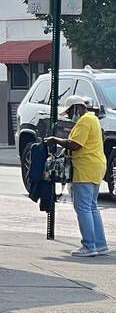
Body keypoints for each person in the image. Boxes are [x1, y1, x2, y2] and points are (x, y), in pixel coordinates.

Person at [46, 95, 110, 257]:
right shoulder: (93, 119)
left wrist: (56, 140)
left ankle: (89, 245)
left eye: (69, 112)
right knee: (92, 207)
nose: (68, 116)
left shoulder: (85, 121)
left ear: (76, 107)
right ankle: (100, 244)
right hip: (95, 166)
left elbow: (75, 145)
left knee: (83, 208)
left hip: (85, 168)